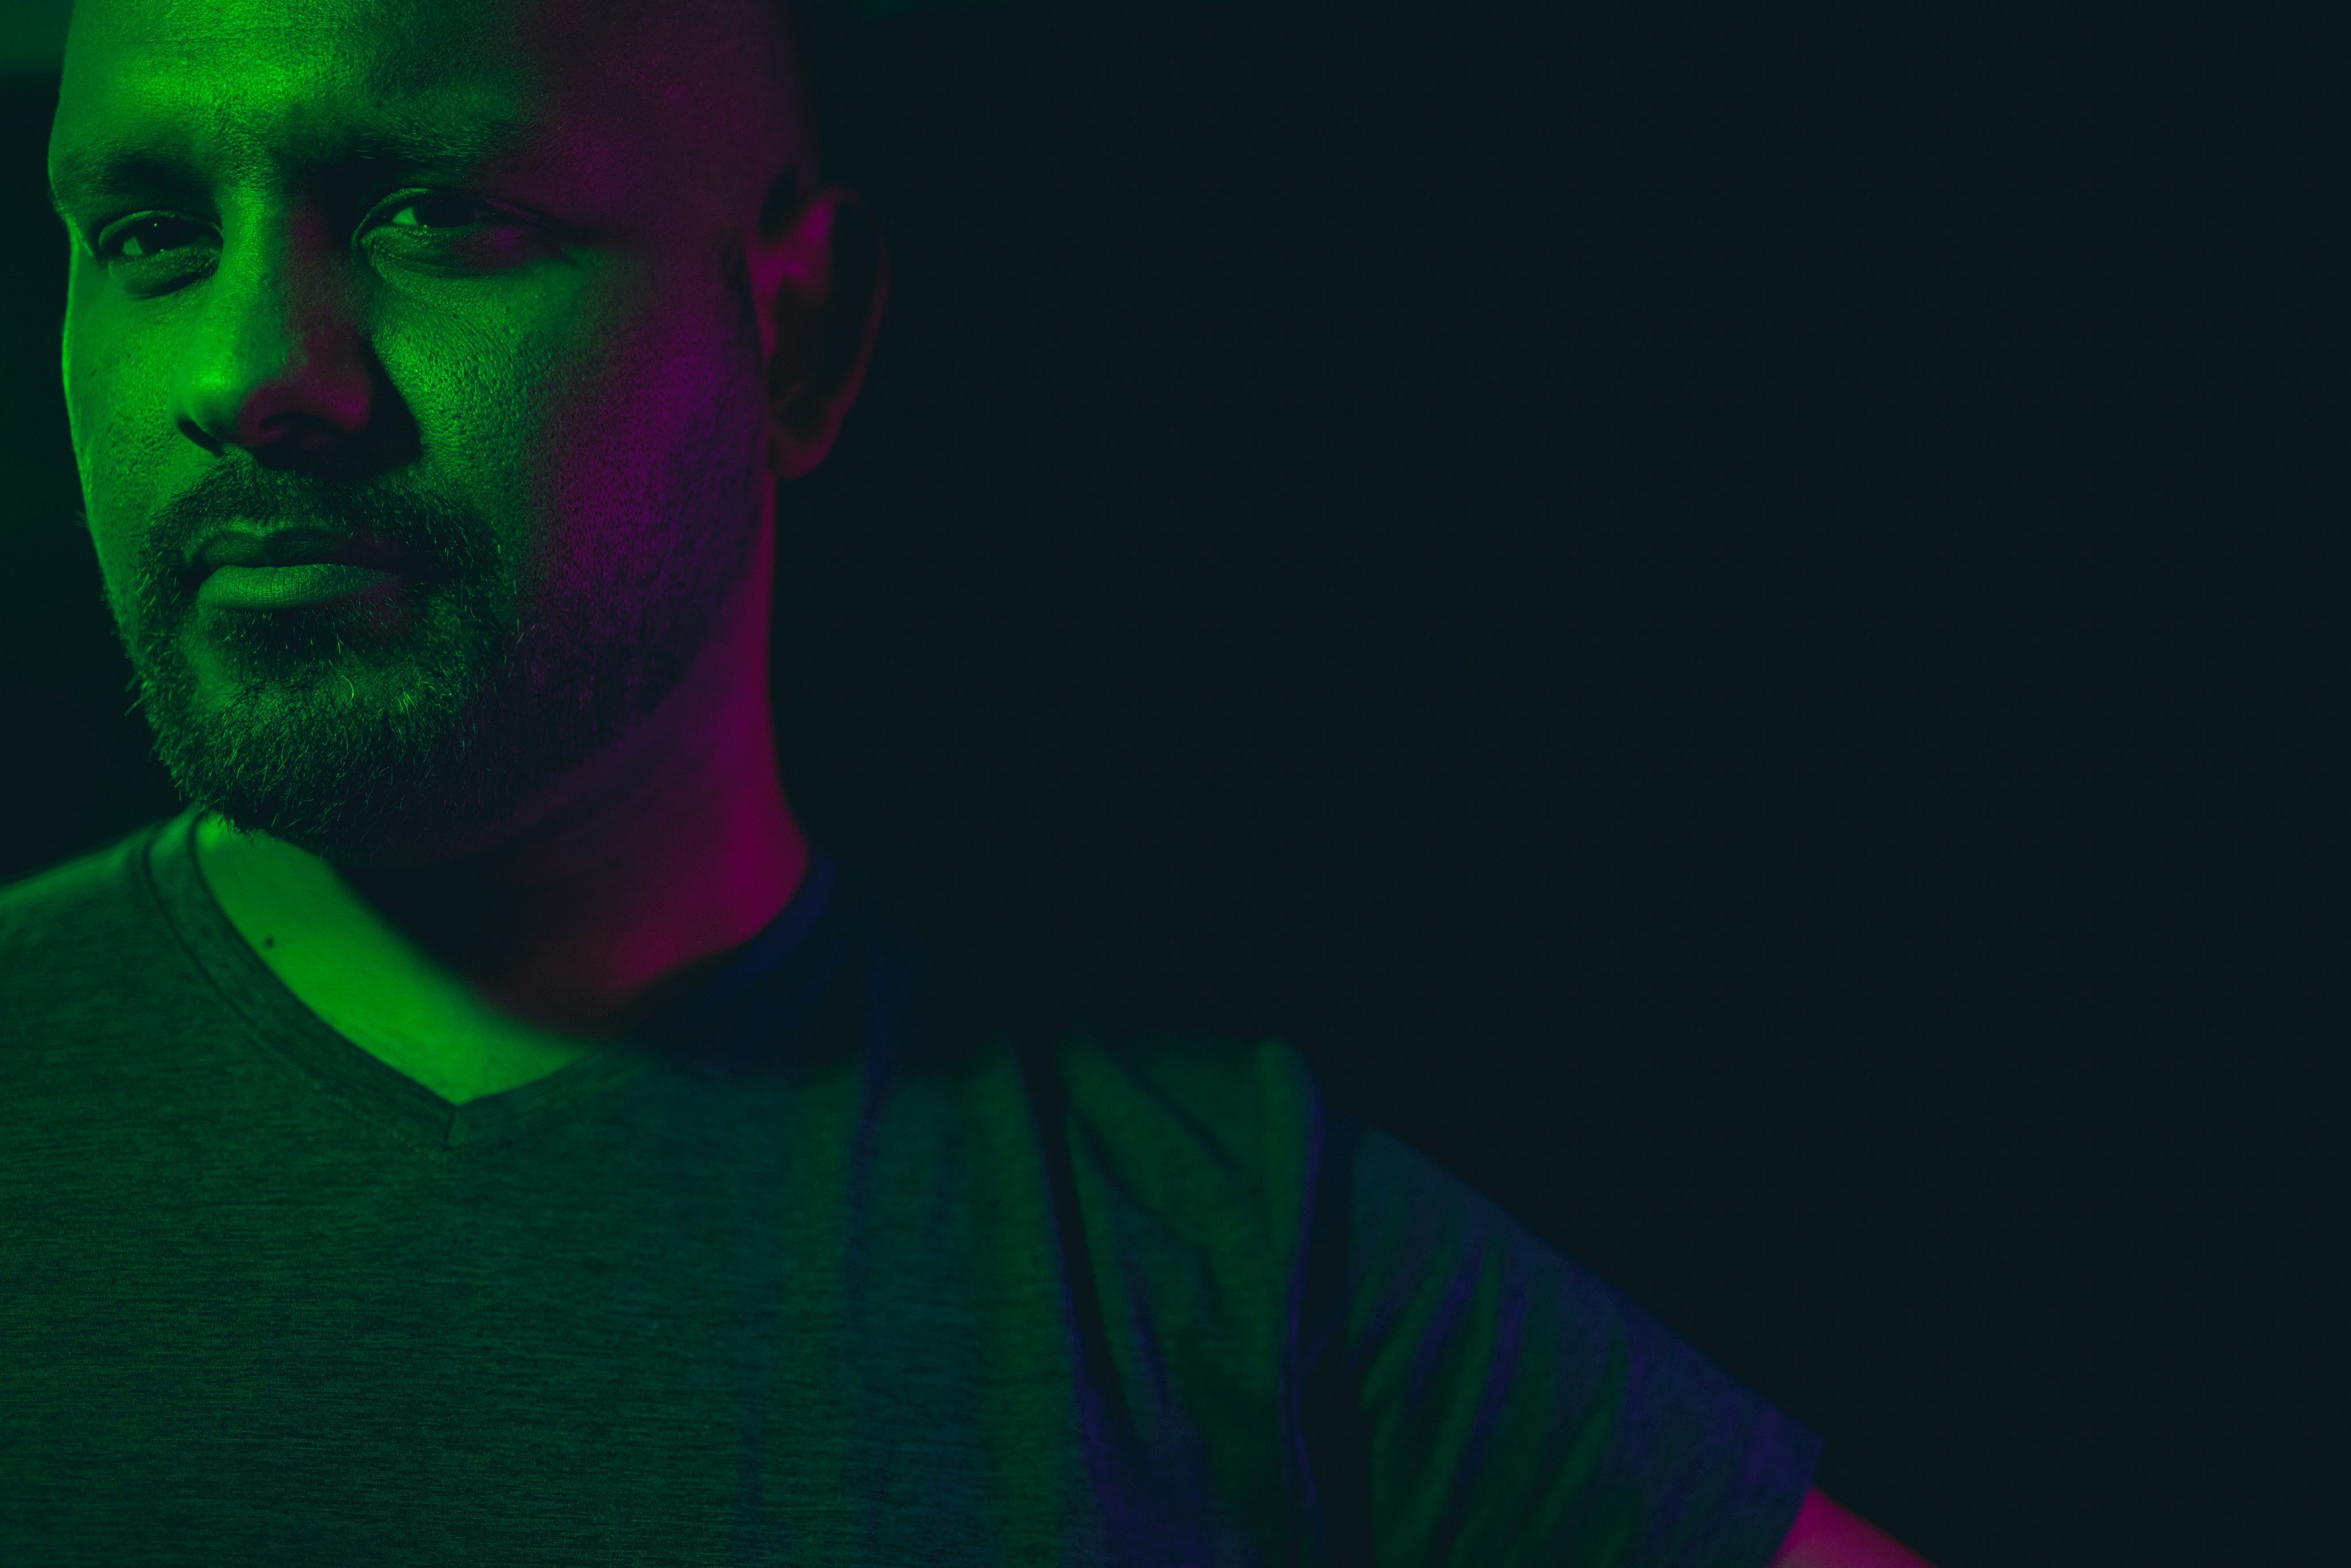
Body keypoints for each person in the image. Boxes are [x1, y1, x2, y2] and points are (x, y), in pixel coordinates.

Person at [1, 0, 1933, 1562]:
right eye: (147, 237)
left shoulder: (1237, 1243)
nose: (252, 370)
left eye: (440, 208)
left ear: (802, 331)